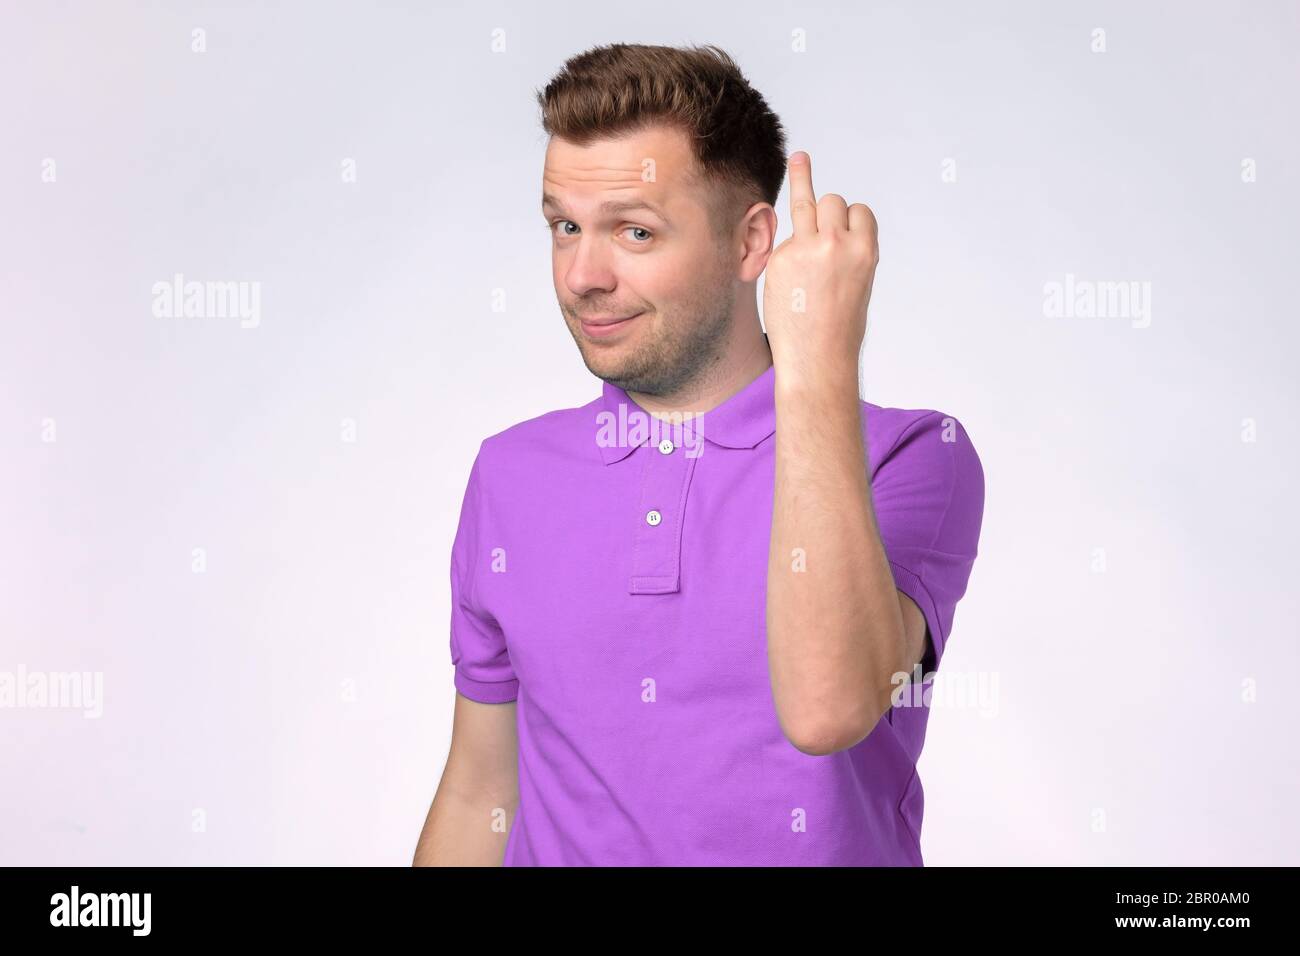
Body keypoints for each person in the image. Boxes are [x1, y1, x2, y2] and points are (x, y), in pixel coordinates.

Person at [413, 42, 984, 866]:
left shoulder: (908, 454)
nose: (581, 275)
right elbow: (480, 790)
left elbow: (830, 709)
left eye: (634, 232)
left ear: (753, 243)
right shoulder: (508, 474)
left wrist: (818, 358)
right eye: (564, 226)